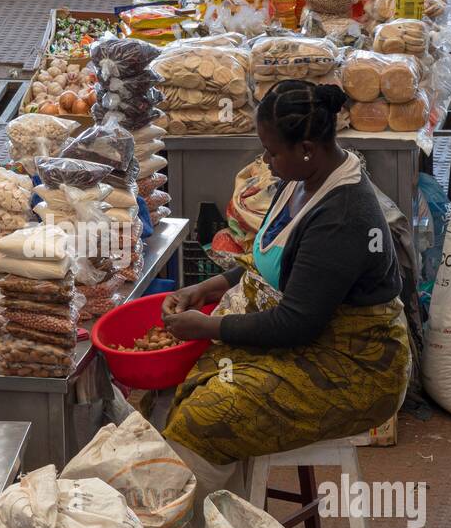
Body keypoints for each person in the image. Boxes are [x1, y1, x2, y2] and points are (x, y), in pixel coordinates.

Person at [161, 81, 411, 497]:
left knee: (206, 416)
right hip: (314, 336)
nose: (266, 160)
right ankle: (218, 522)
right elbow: (273, 266)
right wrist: (206, 289)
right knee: (190, 384)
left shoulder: (341, 216)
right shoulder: (300, 181)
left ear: (308, 149)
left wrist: (206, 328)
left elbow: (296, 323)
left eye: (273, 151)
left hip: (355, 367)